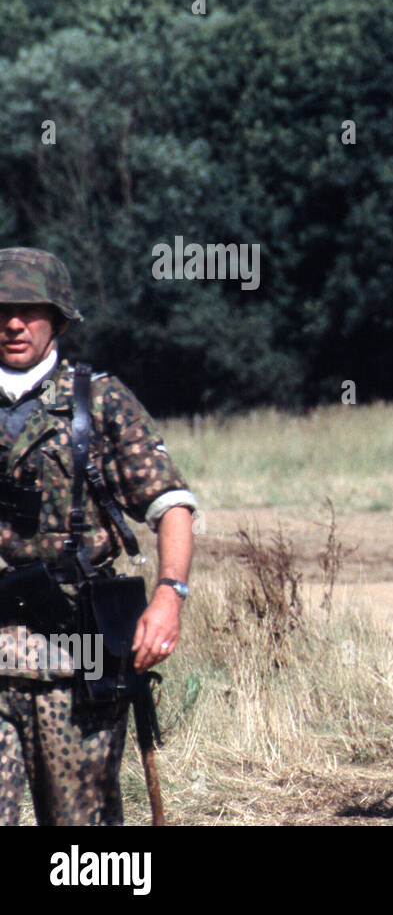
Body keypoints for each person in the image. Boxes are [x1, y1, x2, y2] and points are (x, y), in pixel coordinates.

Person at [0, 247, 196, 825]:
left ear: (57, 319)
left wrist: (169, 597)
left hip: (79, 652)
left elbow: (171, 505)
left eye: (30, 310)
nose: (12, 323)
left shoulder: (98, 400)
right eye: (2, 309)